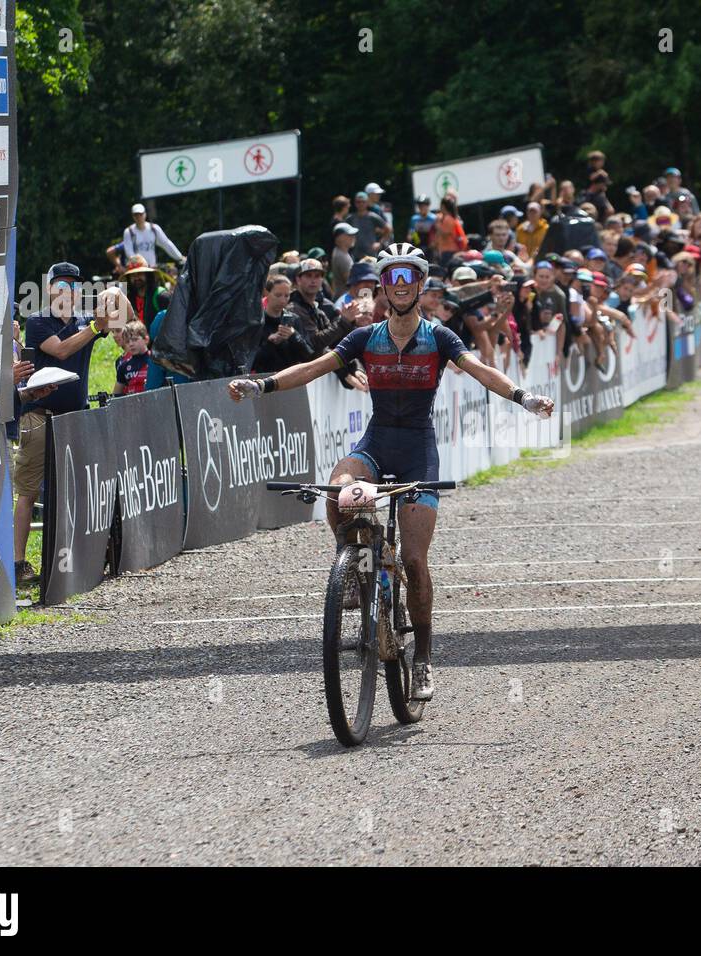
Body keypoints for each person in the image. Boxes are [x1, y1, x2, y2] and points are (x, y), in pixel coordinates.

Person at [227, 244, 554, 702]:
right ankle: (352, 564)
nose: (400, 288)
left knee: (416, 563)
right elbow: (313, 368)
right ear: (384, 287)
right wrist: (260, 384)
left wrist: (525, 398)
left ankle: (421, 659)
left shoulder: (439, 337)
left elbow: (479, 370)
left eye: (408, 280)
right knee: (338, 487)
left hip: (418, 451)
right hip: (377, 444)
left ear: (419, 286)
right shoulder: (365, 337)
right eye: (392, 280)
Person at [13, 262, 110, 585]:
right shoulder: (38, 320)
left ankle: (78, 556)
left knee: (75, 492)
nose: (69, 290)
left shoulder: (85, 320)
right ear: (50, 287)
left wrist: (110, 296)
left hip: (74, 419)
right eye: (63, 284)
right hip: (39, 417)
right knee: (27, 492)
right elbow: (62, 350)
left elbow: (121, 317)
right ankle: (18, 562)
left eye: (74, 285)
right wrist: (96, 327)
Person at [123, 204, 185, 269]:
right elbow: (129, 252)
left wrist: (180, 257)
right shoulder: (129, 232)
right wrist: (139, 263)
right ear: (133, 216)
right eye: (136, 215)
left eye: (140, 214)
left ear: (145, 214)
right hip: (137, 269)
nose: (139, 217)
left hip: (152, 267)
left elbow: (166, 244)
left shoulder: (154, 228)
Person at [345, 191, 391, 259]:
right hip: (355, 254)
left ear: (367, 203)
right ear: (355, 203)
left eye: (363, 202)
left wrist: (380, 243)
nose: (361, 204)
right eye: (358, 202)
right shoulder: (350, 218)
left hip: (371, 254)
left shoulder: (373, 216)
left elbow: (388, 229)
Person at [112, 320, 150, 395]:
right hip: (132, 405)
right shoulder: (123, 366)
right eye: (128, 341)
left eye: (134, 339)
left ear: (146, 339)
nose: (131, 344)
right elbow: (116, 396)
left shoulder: (155, 361)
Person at [331, 222, 358, 297]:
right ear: (340, 237)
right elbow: (350, 281)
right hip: (345, 299)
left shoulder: (340, 252)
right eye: (350, 235)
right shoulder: (341, 256)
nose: (353, 237)